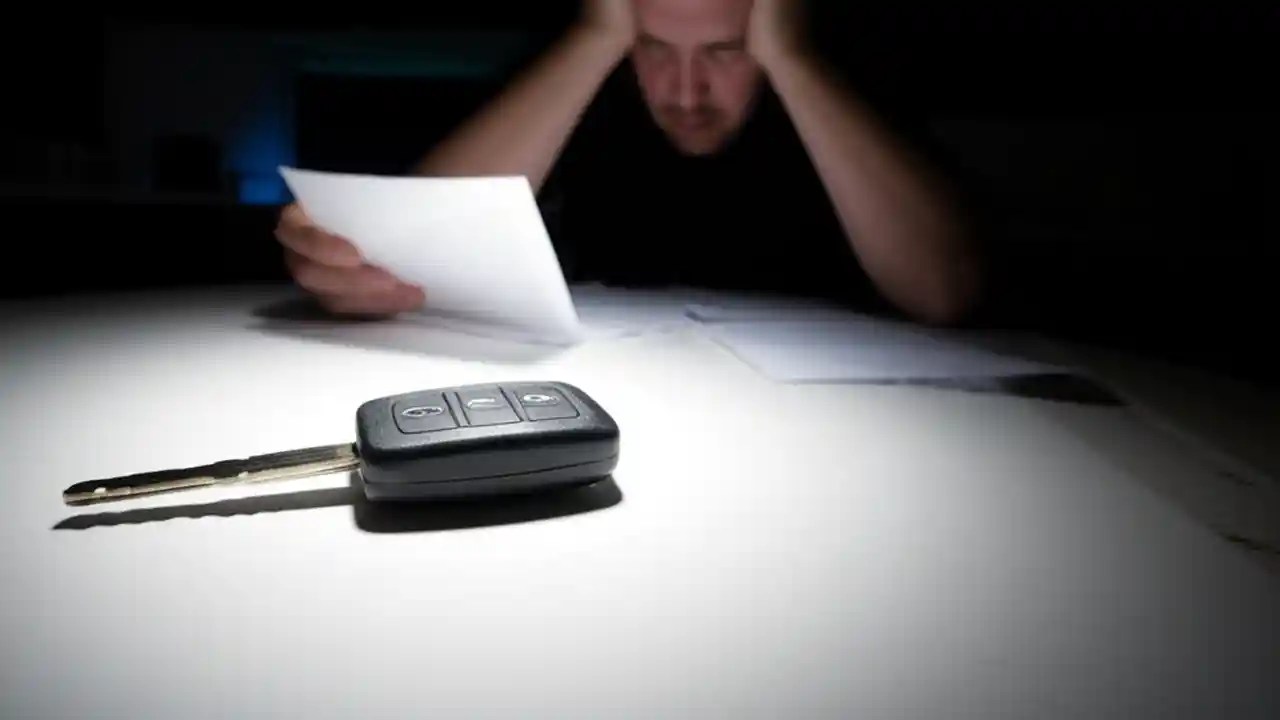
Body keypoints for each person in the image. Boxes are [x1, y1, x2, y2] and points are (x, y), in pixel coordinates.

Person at [275, 0, 983, 325]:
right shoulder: (592, 75)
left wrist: (789, 58)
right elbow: (412, 249)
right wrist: (599, 33)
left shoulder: (841, 80)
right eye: (655, 49)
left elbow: (944, 290)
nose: (685, 93)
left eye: (725, 52)